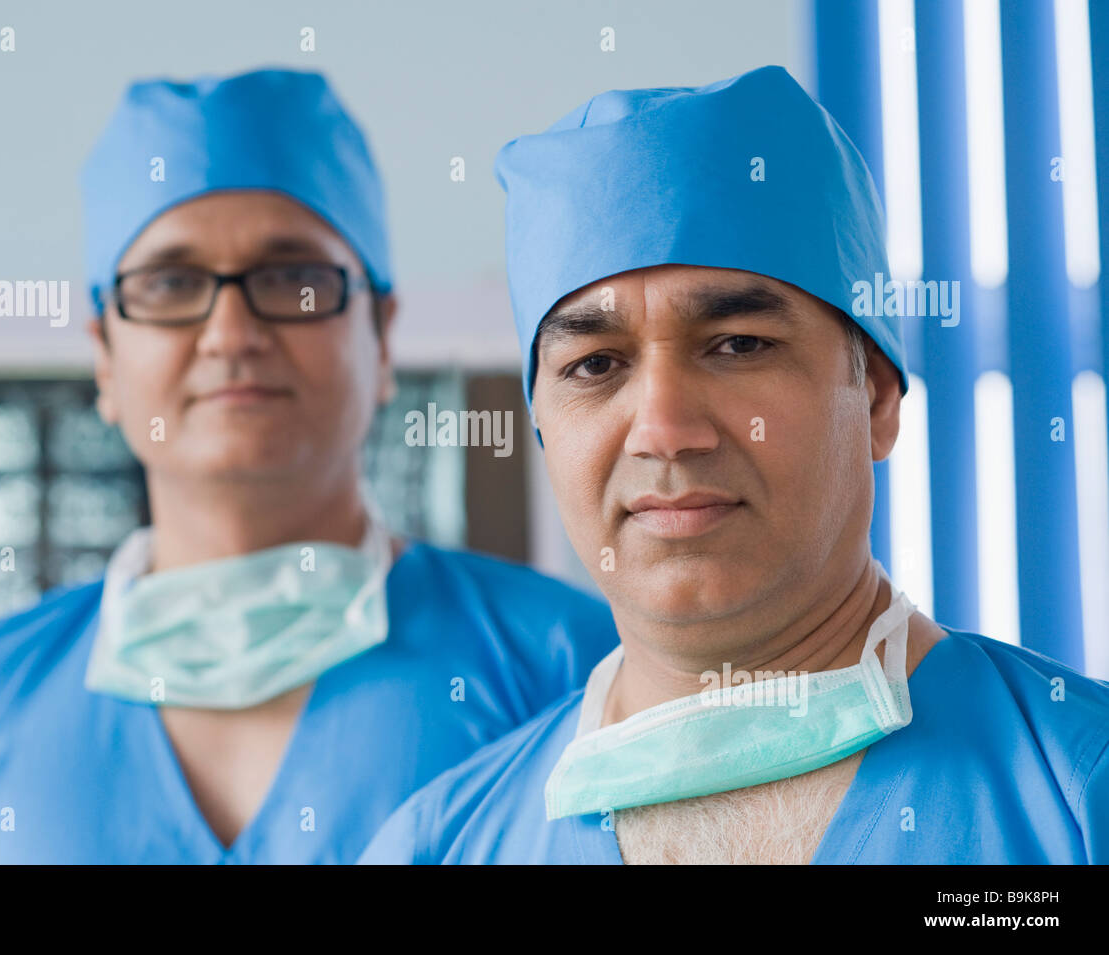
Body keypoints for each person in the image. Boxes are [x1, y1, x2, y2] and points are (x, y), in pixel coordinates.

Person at [0, 68, 618, 864]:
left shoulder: (566, 663)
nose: (230, 332)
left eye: (293, 279)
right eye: (169, 282)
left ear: (380, 338)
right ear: (103, 355)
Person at [359, 65, 1109, 864]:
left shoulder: (1075, 799)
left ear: (879, 399)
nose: (664, 430)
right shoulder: (436, 845)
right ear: (542, 426)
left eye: (739, 345)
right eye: (596, 364)